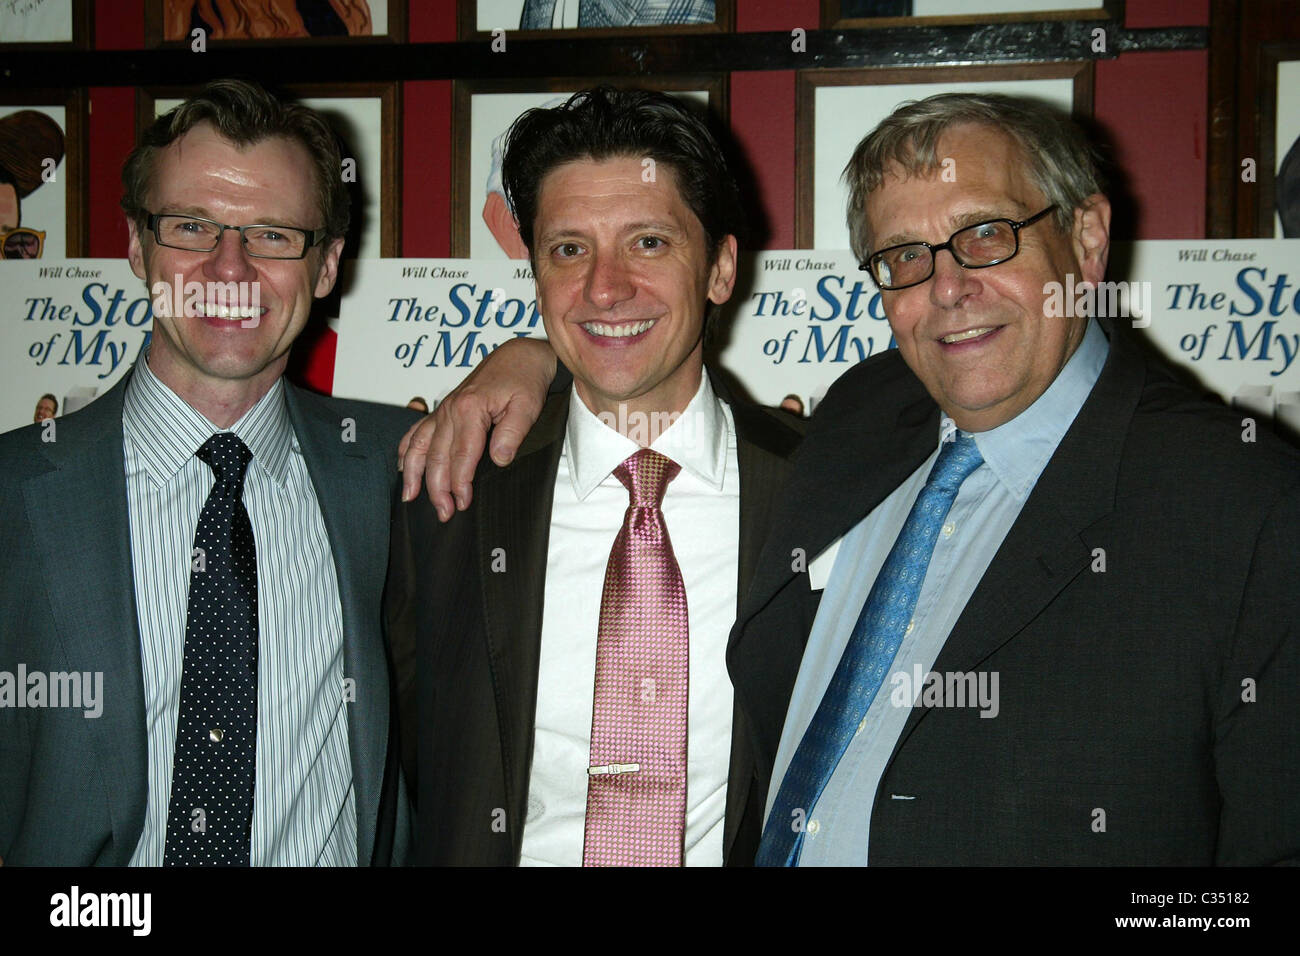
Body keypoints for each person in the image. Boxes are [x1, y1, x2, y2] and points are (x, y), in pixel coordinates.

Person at [400, 92, 1300, 866]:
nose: (946, 287)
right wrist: (527, 359)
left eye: (985, 235)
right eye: (905, 257)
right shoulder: (864, 426)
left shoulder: (1244, 502)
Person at [0, 79, 416, 866]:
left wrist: (531, 364)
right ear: (136, 245)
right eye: (192, 227)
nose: (230, 269)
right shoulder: (11, 493)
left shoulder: (401, 465)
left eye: (272, 235)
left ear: (326, 265)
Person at [385, 87, 803, 866]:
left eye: (648, 243)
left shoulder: (828, 486)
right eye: (569, 250)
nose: (605, 289)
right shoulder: (446, 489)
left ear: (719, 268)